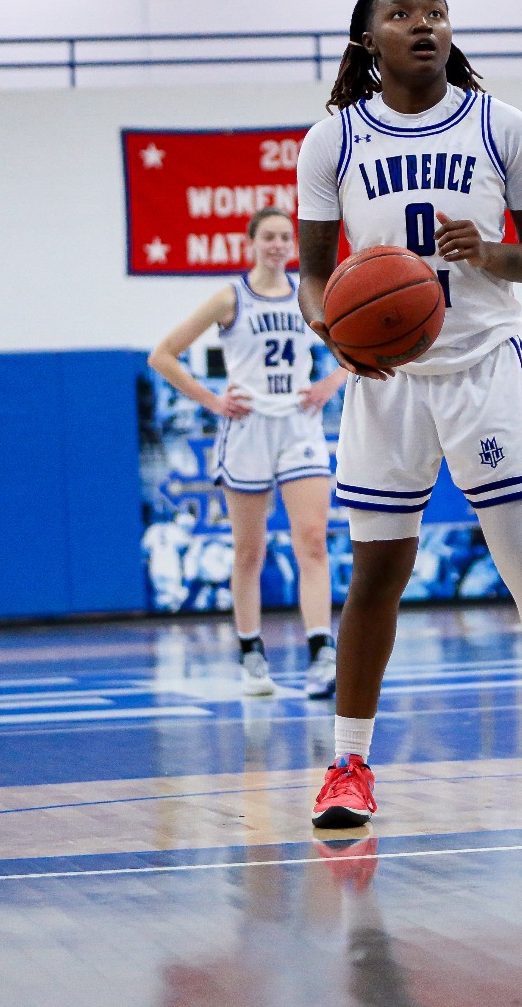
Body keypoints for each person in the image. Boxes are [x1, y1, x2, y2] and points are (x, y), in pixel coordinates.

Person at [295, 0, 522, 827]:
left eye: (436, 13)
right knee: (377, 573)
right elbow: (312, 276)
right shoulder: (332, 140)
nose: (424, 25)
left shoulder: (500, 125)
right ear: (368, 39)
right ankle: (348, 766)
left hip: (484, 364)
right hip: (388, 382)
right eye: (402, 14)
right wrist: (332, 331)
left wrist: (489, 251)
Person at [147, 209, 346, 698]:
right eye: (269, 236)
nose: (278, 244)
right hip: (247, 429)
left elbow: (357, 347)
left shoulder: (311, 294)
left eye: (285, 236)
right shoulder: (230, 297)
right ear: (251, 242)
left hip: (298, 426)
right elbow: (162, 355)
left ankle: (322, 652)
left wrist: (330, 383)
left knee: (313, 542)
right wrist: (214, 401)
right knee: (249, 551)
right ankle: (251, 651)